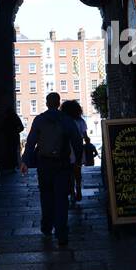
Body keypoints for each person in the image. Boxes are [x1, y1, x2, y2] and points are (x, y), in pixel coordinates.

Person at [20, 92, 82, 247]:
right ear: (58, 103)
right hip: (62, 165)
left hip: (44, 165)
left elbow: (31, 142)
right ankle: (61, 234)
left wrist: (25, 161)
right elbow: (77, 141)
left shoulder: (39, 119)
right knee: (61, 198)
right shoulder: (66, 120)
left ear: (47, 103)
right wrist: (78, 161)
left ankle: (47, 227)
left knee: (46, 196)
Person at [61, 99, 87, 203]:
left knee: (69, 172)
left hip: (67, 147)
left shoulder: (64, 121)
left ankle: (72, 193)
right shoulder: (80, 121)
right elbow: (85, 135)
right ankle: (79, 189)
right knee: (78, 171)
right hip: (78, 147)